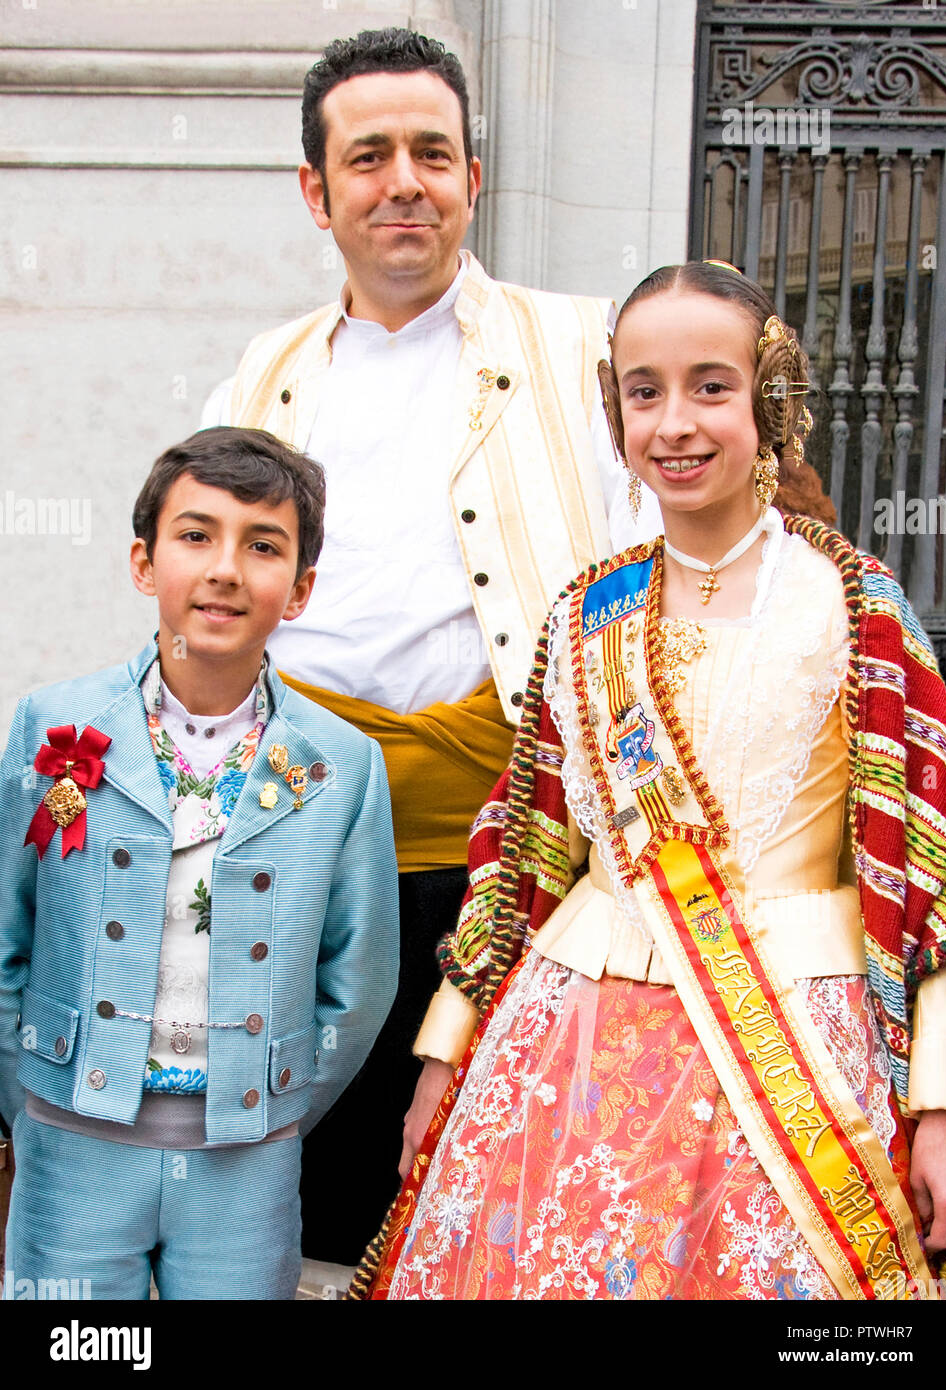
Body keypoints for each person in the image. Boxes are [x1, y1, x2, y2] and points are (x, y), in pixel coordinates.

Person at [353, 262, 946, 1301]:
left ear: (770, 396)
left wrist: (944, 1104)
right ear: (614, 407)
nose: (675, 421)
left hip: (793, 1068)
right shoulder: (586, 615)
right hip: (564, 1055)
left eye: (710, 385)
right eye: (645, 390)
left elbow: (940, 875)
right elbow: (526, 852)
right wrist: (444, 1056)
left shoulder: (856, 608)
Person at [203, 26, 661, 1264]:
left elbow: (667, 560)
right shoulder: (264, 368)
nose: (403, 179)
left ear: (472, 176)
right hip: (296, 832)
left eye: (432, 152)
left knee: (495, 1169)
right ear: (318, 190)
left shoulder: (589, 349)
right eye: (369, 156)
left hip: (514, 836)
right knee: (311, 1175)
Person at [0, 426, 398, 1299]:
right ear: (143, 564)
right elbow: (5, 941)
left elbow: (358, 978)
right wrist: (31, 1104)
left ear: (299, 589)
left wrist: (271, 1102)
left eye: (262, 547)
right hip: (71, 1133)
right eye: (196, 535)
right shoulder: (52, 726)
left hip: (243, 1151)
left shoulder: (340, 763)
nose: (225, 569)